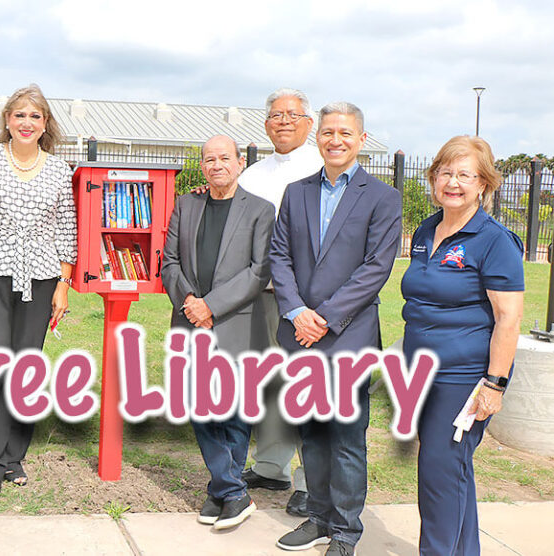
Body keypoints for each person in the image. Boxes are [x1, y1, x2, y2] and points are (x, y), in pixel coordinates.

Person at [270, 102, 401, 556]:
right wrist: (295, 311)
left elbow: (375, 268)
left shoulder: (383, 197)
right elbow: (279, 257)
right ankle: (319, 518)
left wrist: (323, 317)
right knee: (311, 433)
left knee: (345, 440)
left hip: (348, 337)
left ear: (361, 139)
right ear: (317, 137)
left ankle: (345, 532)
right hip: (299, 335)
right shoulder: (296, 192)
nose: (335, 140)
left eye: (345, 132)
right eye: (328, 132)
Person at [402, 136, 523, 555]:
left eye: (465, 175)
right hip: (421, 373)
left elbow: (509, 318)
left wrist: (494, 384)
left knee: (437, 472)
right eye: (446, 173)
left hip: (464, 377)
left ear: (484, 184)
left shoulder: (494, 240)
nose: (453, 182)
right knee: (451, 471)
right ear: (434, 177)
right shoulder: (425, 230)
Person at [0, 84, 76, 495]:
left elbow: (67, 229)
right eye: (20, 115)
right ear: (7, 120)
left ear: (45, 124)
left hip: (42, 279)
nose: (27, 123)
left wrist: (62, 284)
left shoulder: (60, 170)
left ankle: (13, 456)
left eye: (35, 116)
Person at [160, 135, 274, 530]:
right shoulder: (186, 204)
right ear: (203, 166)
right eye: (209, 159)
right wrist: (191, 301)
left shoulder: (261, 210)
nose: (217, 165)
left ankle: (220, 492)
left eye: (224, 158)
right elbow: (169, 262)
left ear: (240, 163)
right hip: (190, 321)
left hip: (237, 323)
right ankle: (232, 490)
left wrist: (213, 305)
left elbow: (260, 271)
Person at [238, 88, 324, 517]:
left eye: (293, 114)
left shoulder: (323, 165)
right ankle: (271, 466)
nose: (284, 121)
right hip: (261, 294)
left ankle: (313, 481)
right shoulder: (252, 173)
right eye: (275, 115)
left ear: (309, 122)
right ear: (265, 123)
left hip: (307, 301)